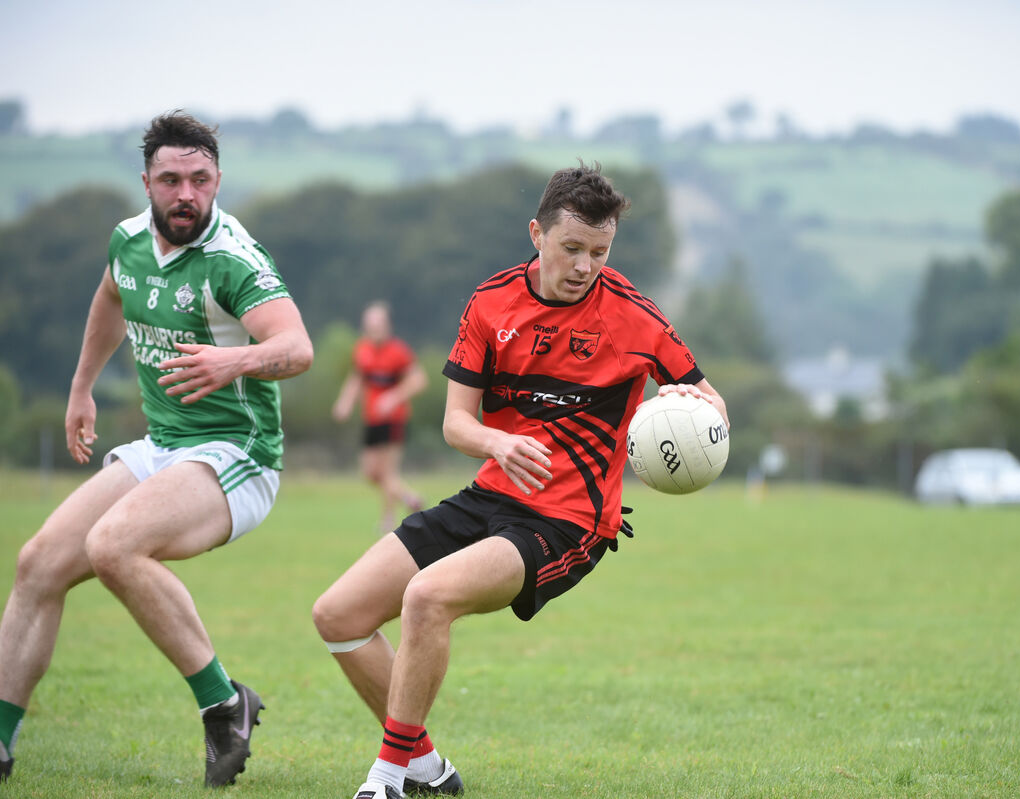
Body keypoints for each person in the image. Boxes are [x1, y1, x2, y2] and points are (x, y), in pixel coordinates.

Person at [312, 163, 728, 799]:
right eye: (572, 248)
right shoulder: (490, 304)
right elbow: (457, 422)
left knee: (427, 598)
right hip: (490, 493)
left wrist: (695, 431)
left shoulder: (634, 318)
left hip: (568, 522)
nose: (586, 264)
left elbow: (708, 400)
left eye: (600, 251)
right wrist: (496, 441)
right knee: (338, 614)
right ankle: (425, 768)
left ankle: (387, 779)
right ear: (537, 234)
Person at [0, 111, 313, 787]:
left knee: (112, 545)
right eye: (171, 179)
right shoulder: (129, 242)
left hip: (240, 453)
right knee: (38, 563)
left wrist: (233, 364)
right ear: (146, 181)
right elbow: (111, 297)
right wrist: (82, 387)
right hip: (164, 444)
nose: (186, 194)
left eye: (200, 179)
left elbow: (297, 348)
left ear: (217, 180)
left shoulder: (233, 260)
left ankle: (223, 703)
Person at [333, 302, 428, 531]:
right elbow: (357, 378)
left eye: (377, 325)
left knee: (387, 473)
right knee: (370, 473)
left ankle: (388, 520)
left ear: (387, 325)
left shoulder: (398, 351)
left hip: (394, 419)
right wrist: (345, 401)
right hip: (371, 419)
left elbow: (419, 380)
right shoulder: (362, 349)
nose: (373, 329)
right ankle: (410, 498)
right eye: (369, 325)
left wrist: (393, 398)